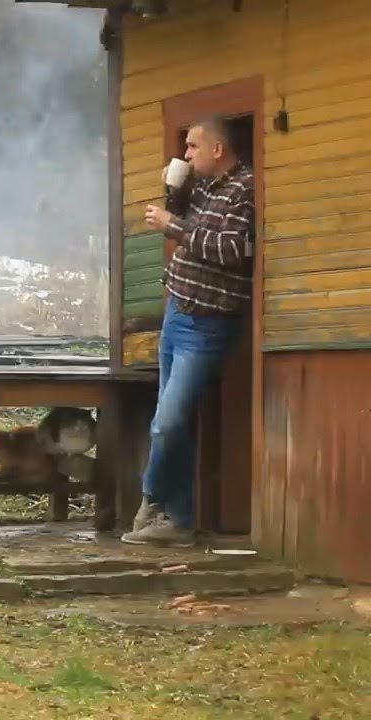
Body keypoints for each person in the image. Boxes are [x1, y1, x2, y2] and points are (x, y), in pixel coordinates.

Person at [120, 116, 255, 547]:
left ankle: (151, 498)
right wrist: (175, 195)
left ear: (217, 150)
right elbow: (189, 226)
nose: (186, 155)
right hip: (177, 313)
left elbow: (232, 250)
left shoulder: (244, 189)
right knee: (174, 424)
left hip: (207, 322)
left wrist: (173, 226)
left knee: (168, 423)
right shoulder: (202, 187)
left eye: (193, 147)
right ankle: (178, 519)